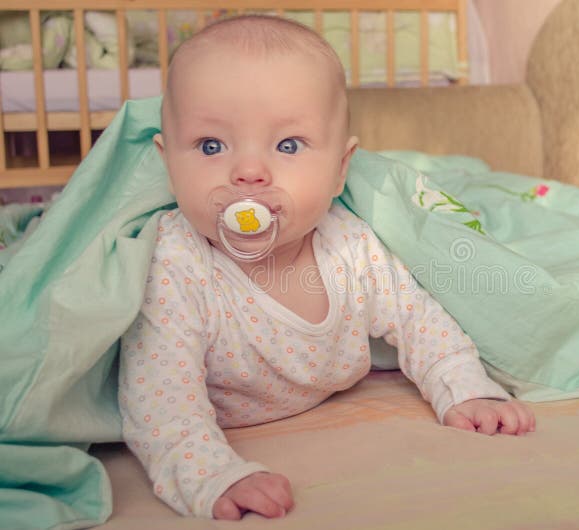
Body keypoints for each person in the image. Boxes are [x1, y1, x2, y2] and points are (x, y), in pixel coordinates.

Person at [118, 14, 536, 521]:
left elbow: (423, 325)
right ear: (168, 164)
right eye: (211, 146)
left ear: (341, 168)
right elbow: (159, 406)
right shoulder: (176, 264)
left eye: (288, 145)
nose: (249, 173)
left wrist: (464, 389)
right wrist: (211, 474)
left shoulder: (351, 247)